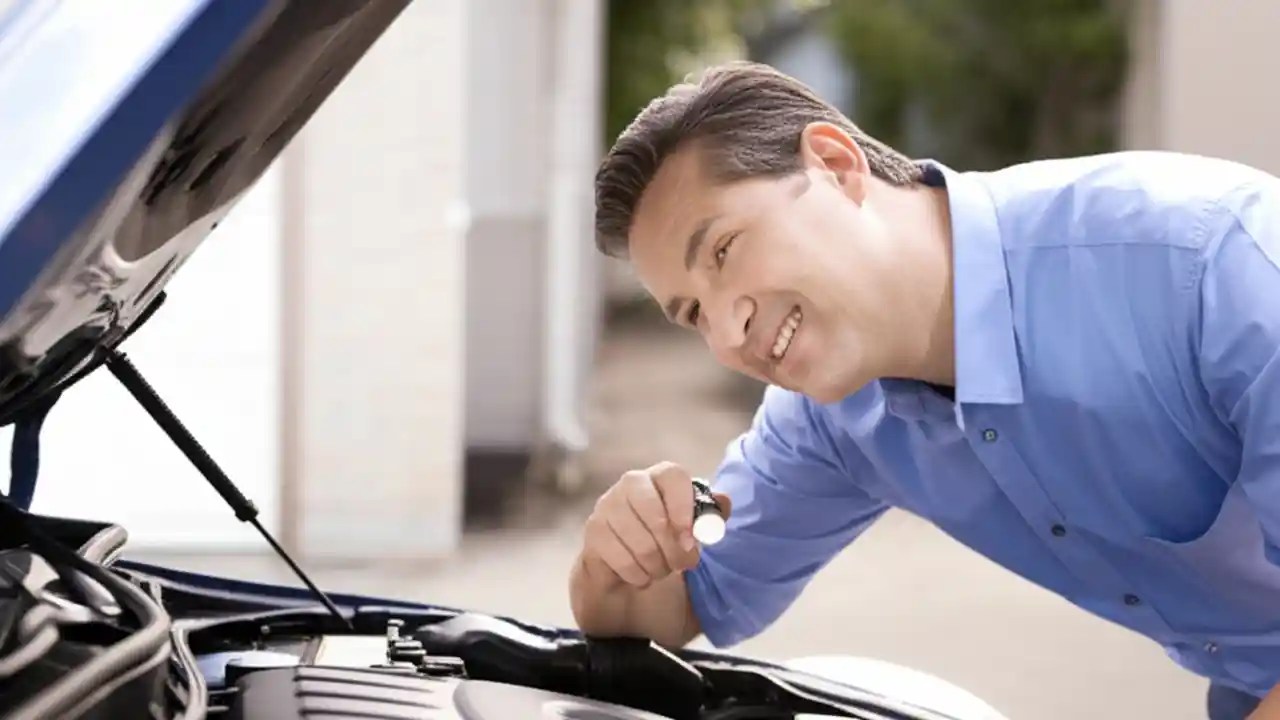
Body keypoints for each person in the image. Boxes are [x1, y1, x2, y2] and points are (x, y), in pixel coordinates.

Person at [567, 60, 1280, 720]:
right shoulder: (835, 416)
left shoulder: (1214, 263)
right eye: (692, 313)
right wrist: (619, 557)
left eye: (722, 251)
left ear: (836, 164)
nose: (726, 335)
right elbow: (679, 604)